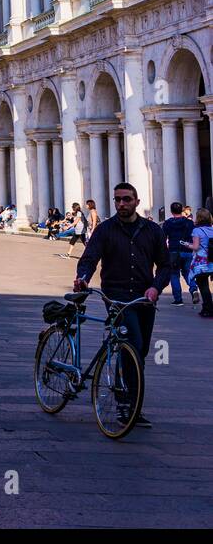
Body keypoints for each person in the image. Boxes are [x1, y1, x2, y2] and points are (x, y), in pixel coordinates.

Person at [73, 182, 169, 429]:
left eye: (126, 199)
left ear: (137, 201)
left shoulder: (152, 231)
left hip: (144, 298)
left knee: (141, 351)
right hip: (116, 297)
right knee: (132, 345)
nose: (121, 204)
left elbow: (165, 266)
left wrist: (155, 287)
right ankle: (128, 406)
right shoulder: (105, 230)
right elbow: (89, 258)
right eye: (117, 200)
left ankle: (130, 399)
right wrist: (83, 278)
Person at [161, 201, 196, 306]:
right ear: (182, 210)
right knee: (187, 272)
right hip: (187, 250)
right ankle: (193, 289)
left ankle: (178, 299)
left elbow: (163, 238)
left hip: (173, 251)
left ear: (171, 211)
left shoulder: (167, 223)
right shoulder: (189, 223)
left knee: (174, 275)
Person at [184, 208, 213, 317]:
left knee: (203, 285)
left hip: (201, 262)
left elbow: (195, 247)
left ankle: (208, 308)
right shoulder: (212, 229)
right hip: (212, 260)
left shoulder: (197, 231)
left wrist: (187, 245)